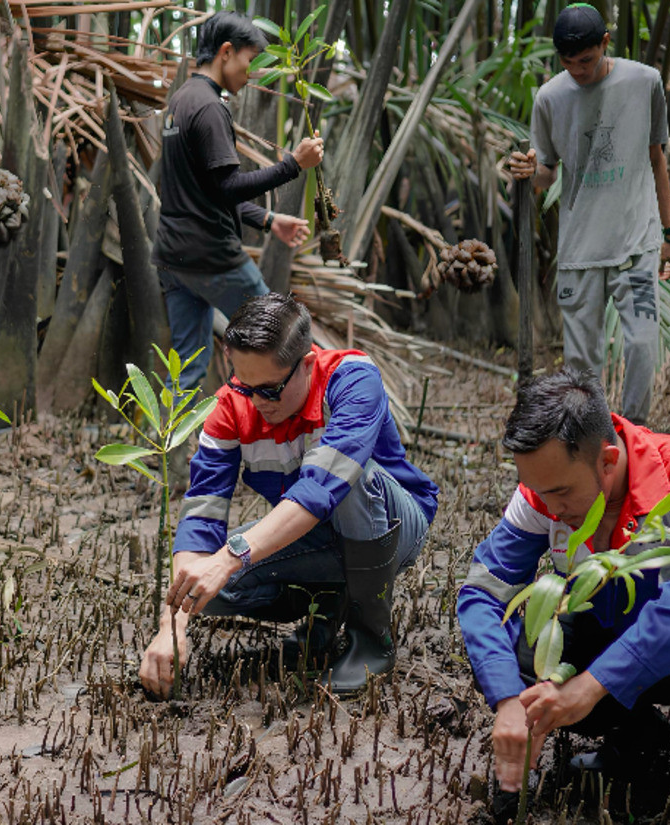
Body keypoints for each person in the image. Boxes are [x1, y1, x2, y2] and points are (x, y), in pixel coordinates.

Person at [455, 369, 670, 816]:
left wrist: (589, 687)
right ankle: (641, 740)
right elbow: (483, 592)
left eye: (561, 491)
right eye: (538, 491)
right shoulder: (542, 495)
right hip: (612, 625)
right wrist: (507, 697)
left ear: (607, 460)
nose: (551, 508)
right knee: (521, 645)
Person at [139, 294, 438, 697]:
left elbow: (320, 490)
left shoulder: (353, 379)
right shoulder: (230, 406)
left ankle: (371, 639)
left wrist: (230, 558)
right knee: (203, 588)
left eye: (271, 389)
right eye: (245, 387)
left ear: (308, 364)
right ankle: (329, 606)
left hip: (394, 526)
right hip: (313, 538)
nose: (258, 402)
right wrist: (172, 624)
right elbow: (201, 515)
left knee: (349, 478)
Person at [508, 3, 670, 426]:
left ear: (605, 43)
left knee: (641, 345)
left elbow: (657, 157)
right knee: (582, 368)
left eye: (585, 60)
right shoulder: (550, 97)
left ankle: (634, 435)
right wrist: (527, 174)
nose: (578, 71)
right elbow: (546, 172)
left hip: (635, 244)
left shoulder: (645, 82)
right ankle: (595, 443)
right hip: (579, 250)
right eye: (568, 63)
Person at [154, 10, 325, 397]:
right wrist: (293, 164)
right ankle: (312, 428)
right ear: (226, 52)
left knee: (186, 365)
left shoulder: (180, 101)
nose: (253, 73)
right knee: (283, 333)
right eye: (251, 60)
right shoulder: (211, 107)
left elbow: (203, 192)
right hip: (212, 257)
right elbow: (229, 187)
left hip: (173, 258)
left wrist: (267, 219)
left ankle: (164, 454)